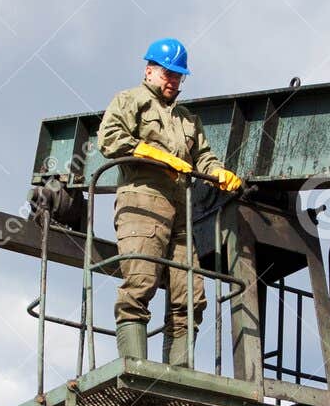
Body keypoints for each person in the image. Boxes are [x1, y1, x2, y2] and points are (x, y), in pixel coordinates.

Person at [96, 38, 243, 364]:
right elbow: (110, 139)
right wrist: (156, 155)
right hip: (142, 203)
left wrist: (218, 172)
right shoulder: (130, 100)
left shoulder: (187, 119)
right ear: (149, 70)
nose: (173, 81)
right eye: (168, 74)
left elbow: (204, 157)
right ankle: (135, 367)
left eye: (178, 76)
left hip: (180, 212)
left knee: (190, 294)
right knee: (141, 282)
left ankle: (178, 371)